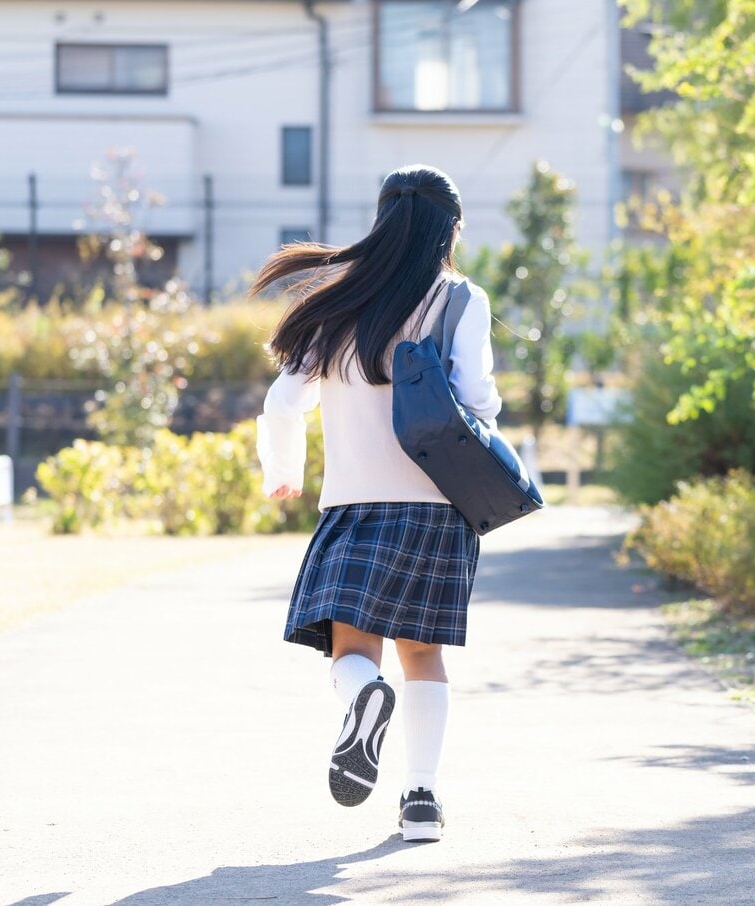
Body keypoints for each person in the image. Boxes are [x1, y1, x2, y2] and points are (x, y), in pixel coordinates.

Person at [249, 165, 502, 843]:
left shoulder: (340, 300)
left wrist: (284, 470)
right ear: (448, 228)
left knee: (352, 653)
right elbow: (479, 404)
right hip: (438, 507)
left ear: (383, 220)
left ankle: (364, 697)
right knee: (423, 655)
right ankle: (420, 801)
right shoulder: (460, 300)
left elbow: (282, 403)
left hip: (355, 504)